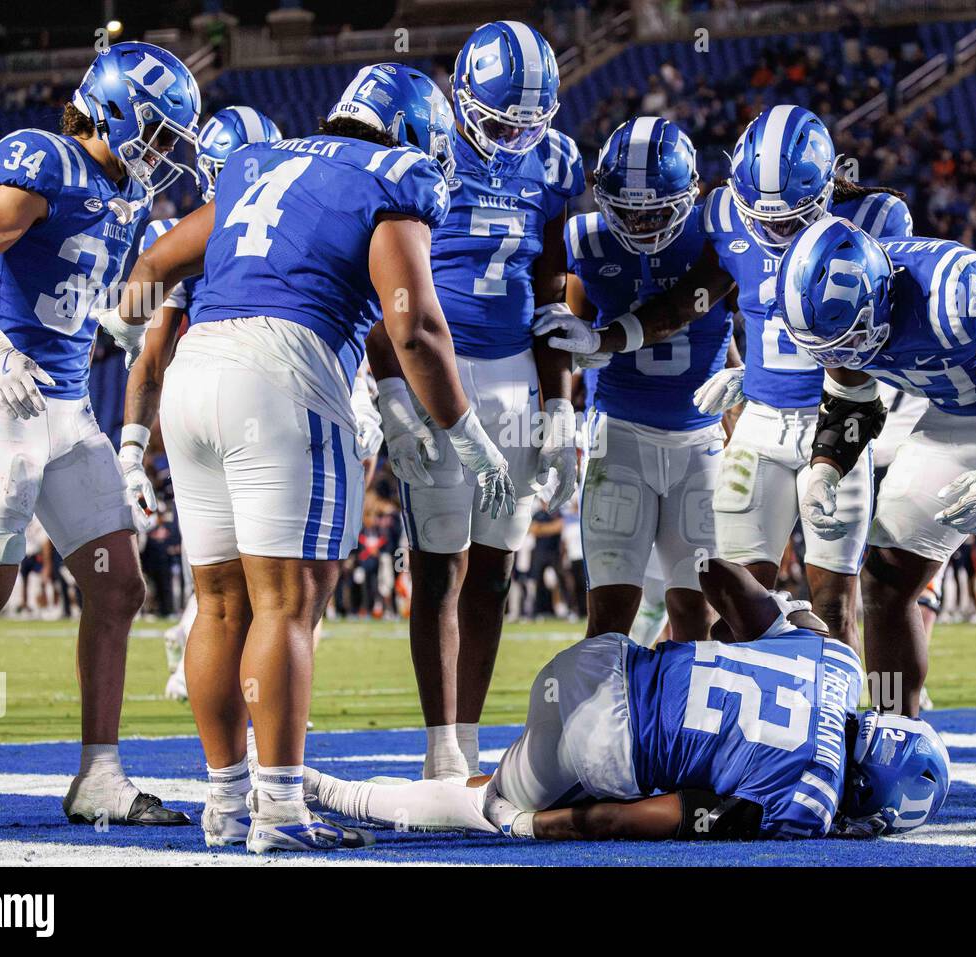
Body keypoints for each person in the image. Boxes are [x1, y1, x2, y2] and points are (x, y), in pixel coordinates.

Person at [98, 64, 515, 853]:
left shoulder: (263, 160)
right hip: (284, 374)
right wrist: (466, 433)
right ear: (415, 132)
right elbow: (415, 327)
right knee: (287, 604)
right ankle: (281, 807)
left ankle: (226, 798)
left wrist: (121, 332)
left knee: (219, 602)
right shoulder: (396, 173)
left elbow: (152, 269)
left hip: (196, 373)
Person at [0, 41, 201, 835]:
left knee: (118, 585)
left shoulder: (129, 195)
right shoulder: (46, 162)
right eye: (161, 134)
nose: (166, 154)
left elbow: (99, 294)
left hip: (71, 410)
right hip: (5, 402)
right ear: (117, 112)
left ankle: (99, 777)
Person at [535, 105, 914, 650]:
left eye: (790, 216)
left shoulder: (874, 221)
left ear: (827, 190)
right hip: (758, 426)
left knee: (835, 601)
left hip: (835, 423)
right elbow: (687, 304)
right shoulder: (726, 216)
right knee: (734, 601)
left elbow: (893, 329)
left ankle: (836, 723)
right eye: (760, 213)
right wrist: (606, 340)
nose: (773, 227)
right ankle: (735, 729)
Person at [773, 215, 976, 834]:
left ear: (880, 294)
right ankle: (894, 740)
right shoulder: (832, 309)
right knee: (886, 580)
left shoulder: (952, 291)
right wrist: (825, 466)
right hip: (954, 418)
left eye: (853, 337)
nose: (847, 353)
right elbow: (851, 399)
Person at [303, 559, 951, 841]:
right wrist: (533, 827)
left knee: (501, 785)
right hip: (597, 740)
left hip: (606, 656)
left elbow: (720, 576)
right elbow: (636, 818)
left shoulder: (833, 655)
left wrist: (758, 631)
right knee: (492, 805)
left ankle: (312, 785)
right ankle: (326, 791)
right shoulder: (806, 801)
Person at [368, 21, 585, 782]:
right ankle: (440, 748)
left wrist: (560, 407)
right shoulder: (423, 145)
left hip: (517, 378)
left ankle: (470, 739)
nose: (513, 140)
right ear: (461, 102)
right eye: (498, 121)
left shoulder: (555, 160)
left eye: (529, 124)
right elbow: (380, 284)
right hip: (442, 376)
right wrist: (393, 389)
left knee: (495, 569)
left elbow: (557, 291)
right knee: (438, 565)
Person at [113, 104, 285, 702]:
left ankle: (243, 731)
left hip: (221, 400)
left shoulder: (202, 231)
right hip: (239, 404)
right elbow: (152, 351)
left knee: (240, 582)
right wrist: (132, 449)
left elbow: (151, 353)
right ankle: (258, 716)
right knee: (263, 581)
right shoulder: (195, 235)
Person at [561, 116, 732, 642]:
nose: (640, 225)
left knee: (695, 613)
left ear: (689, 194)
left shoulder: (718, 232)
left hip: (699, 438)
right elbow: (569, 340)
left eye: (654, 211)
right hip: (620, 436)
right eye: (629, 211)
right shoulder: (585, 240)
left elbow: (681, 311)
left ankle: (680, 725)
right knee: (610, 615)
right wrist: (556, 421)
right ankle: (603, 726)